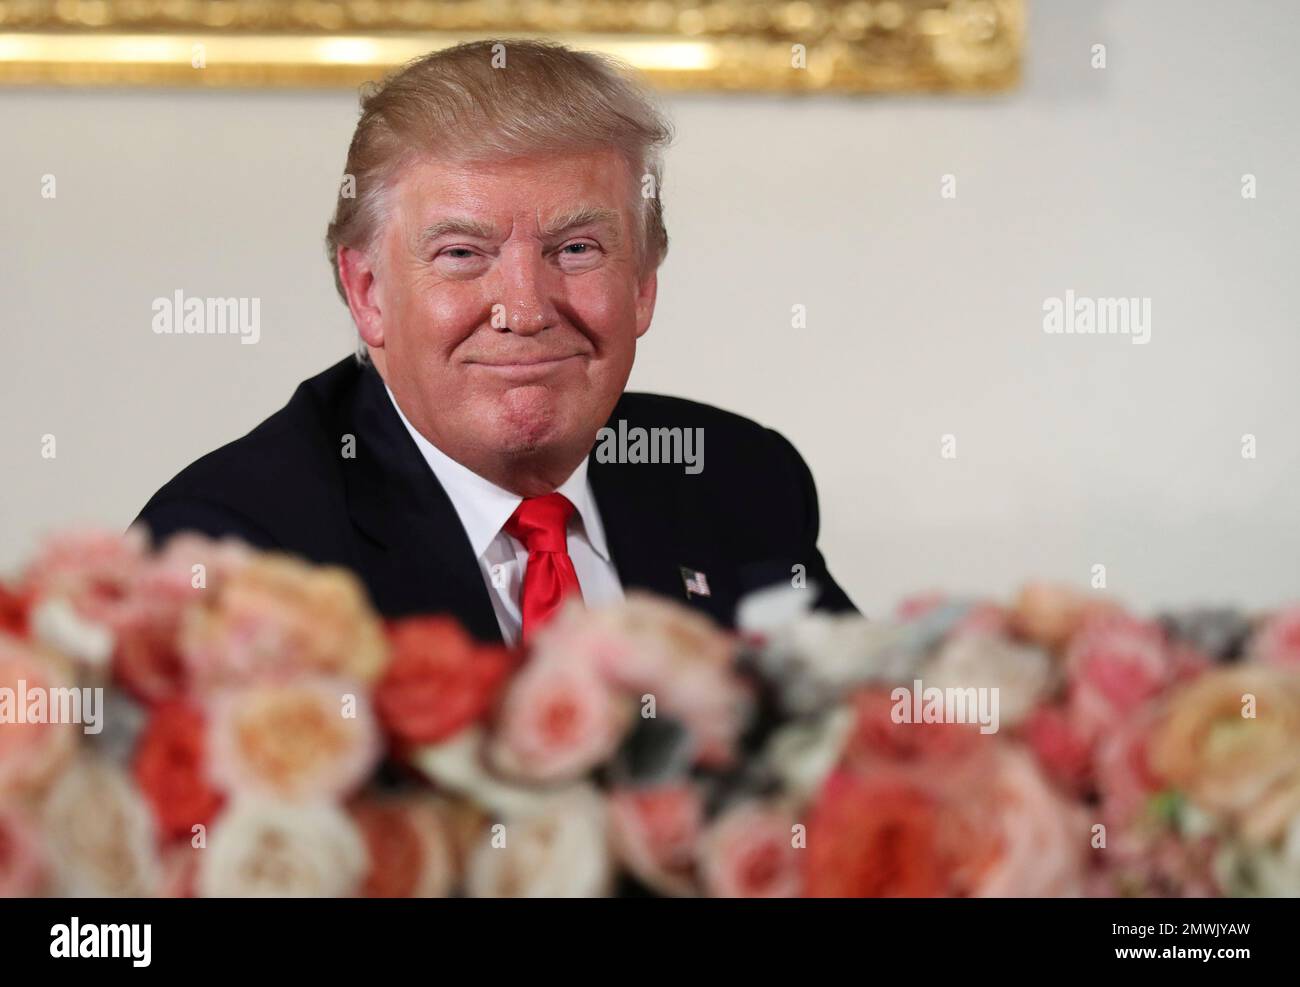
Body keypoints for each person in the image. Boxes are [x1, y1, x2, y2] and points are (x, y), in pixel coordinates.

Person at [135, 39, 855, 645]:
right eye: (461, 253)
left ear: (642, 284)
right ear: (368, 293)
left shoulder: (736, 478)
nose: (525, 309)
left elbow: (883, 775)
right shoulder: (234, 554)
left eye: (575, 248)